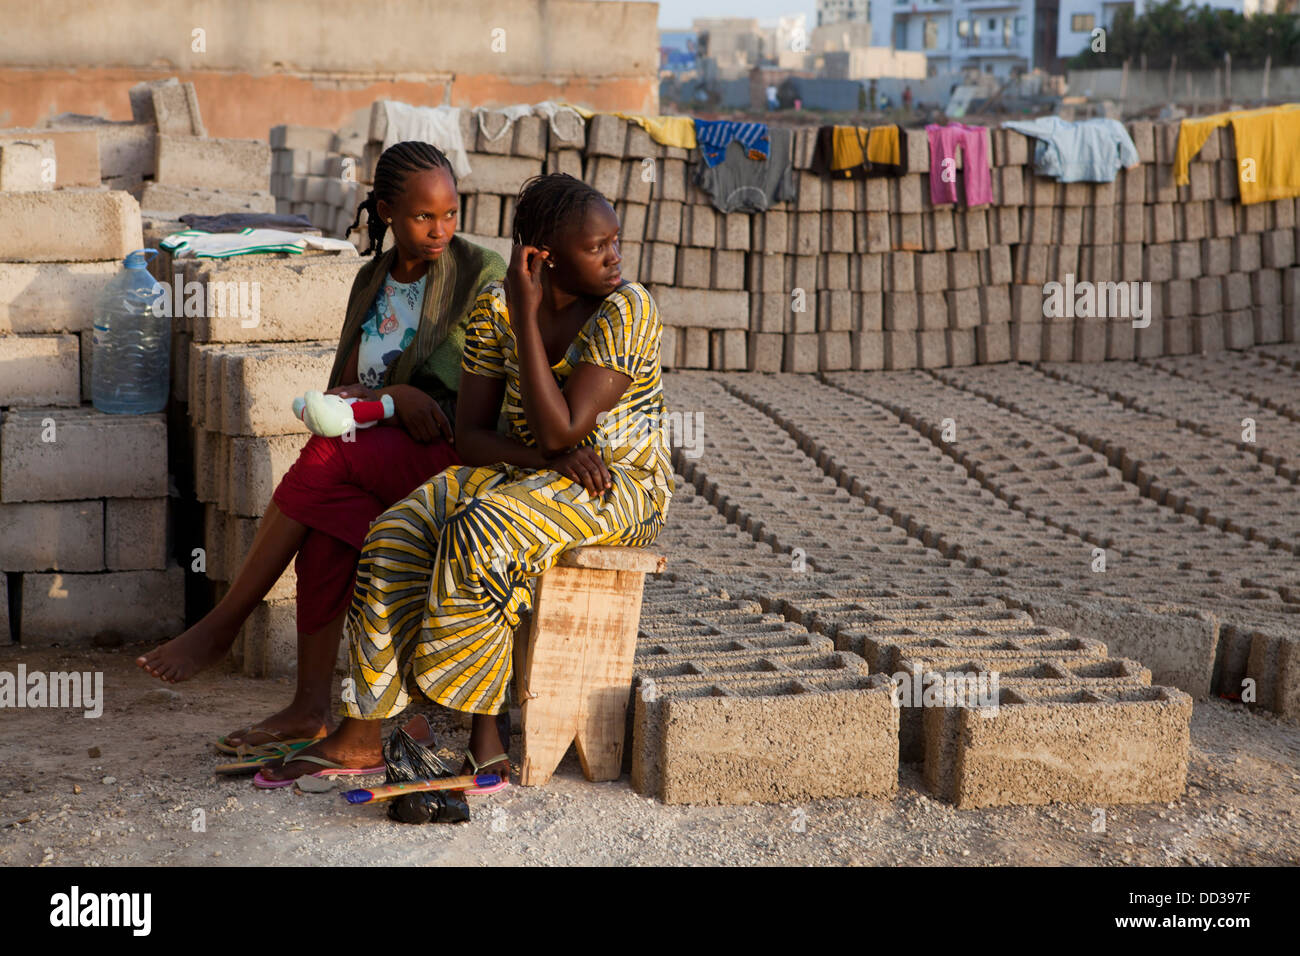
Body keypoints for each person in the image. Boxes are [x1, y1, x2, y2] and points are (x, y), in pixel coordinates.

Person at [254, 172, 674, 788]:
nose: (615, 257)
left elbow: (563, 428)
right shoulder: (494, 307)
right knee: (396, 528)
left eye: (615, 241)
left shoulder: (627, 308)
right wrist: (542, 456)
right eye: (597, 247)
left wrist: (527, 320)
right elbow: (471, 437)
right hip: (526, 469)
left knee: (482, 531)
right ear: (544, 257)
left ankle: (486, 732)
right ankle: (361, 731)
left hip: (618, 486)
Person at [136, 142, 506, 757]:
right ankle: (310, 710)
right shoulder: (371, 280)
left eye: (451, 213)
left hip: (451, 455)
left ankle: (223, 624)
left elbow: (449, 398)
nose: (441, 230)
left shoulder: (478, 272)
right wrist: (365, 396)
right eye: (423, 217)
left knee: (326, 460)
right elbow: (362, 383)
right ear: (386, 211)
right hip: (384, 448)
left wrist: (386, 398)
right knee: (326, 527)